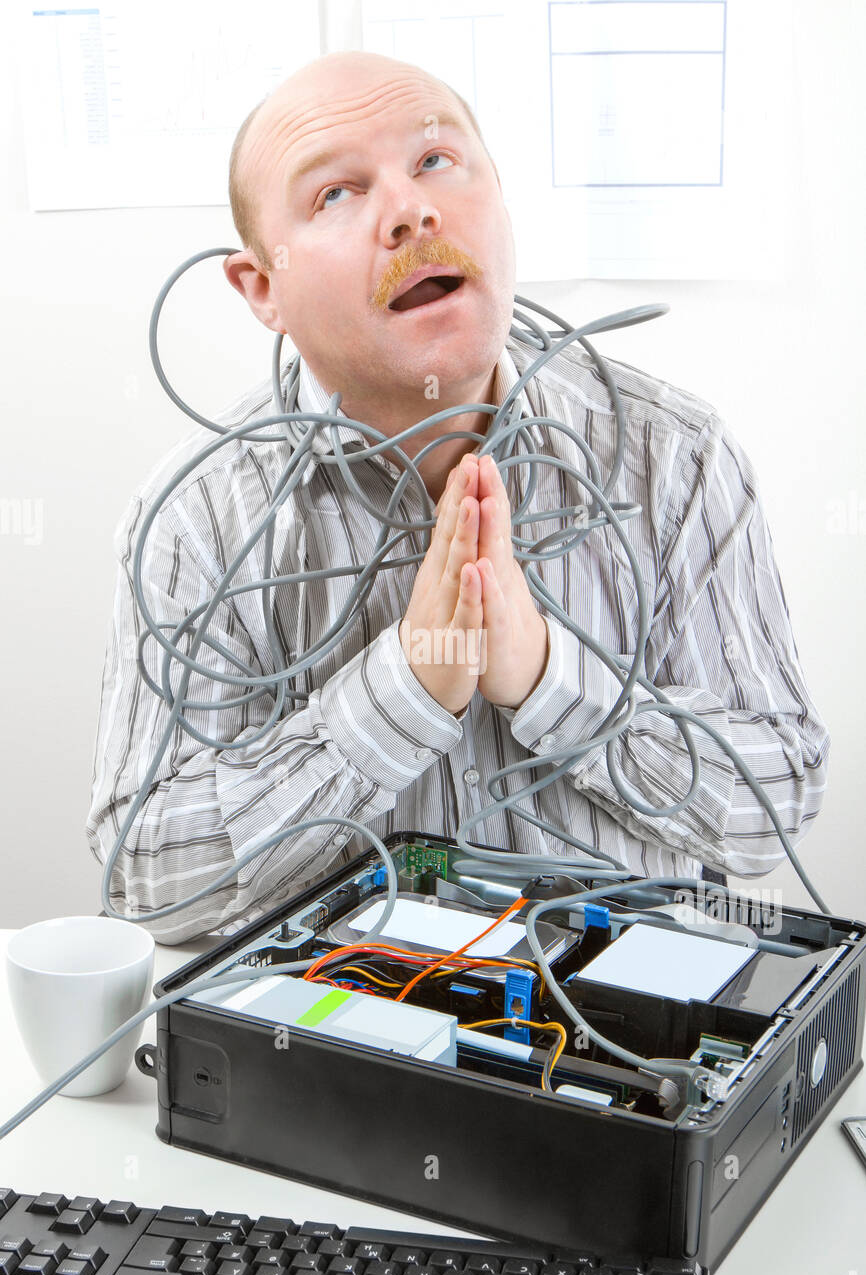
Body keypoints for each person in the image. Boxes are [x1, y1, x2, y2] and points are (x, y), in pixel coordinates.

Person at [85, 50, 829, 945]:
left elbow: (776, 801)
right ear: (262, 287)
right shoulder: (195, 522)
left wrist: (551, 677)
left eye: (435, 161)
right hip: (345, 1053)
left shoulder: (677, 459)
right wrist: (404, 690)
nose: (411, 209)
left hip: (632, 1061)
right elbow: (151, 883)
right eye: (336, 193)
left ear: (500, 197)